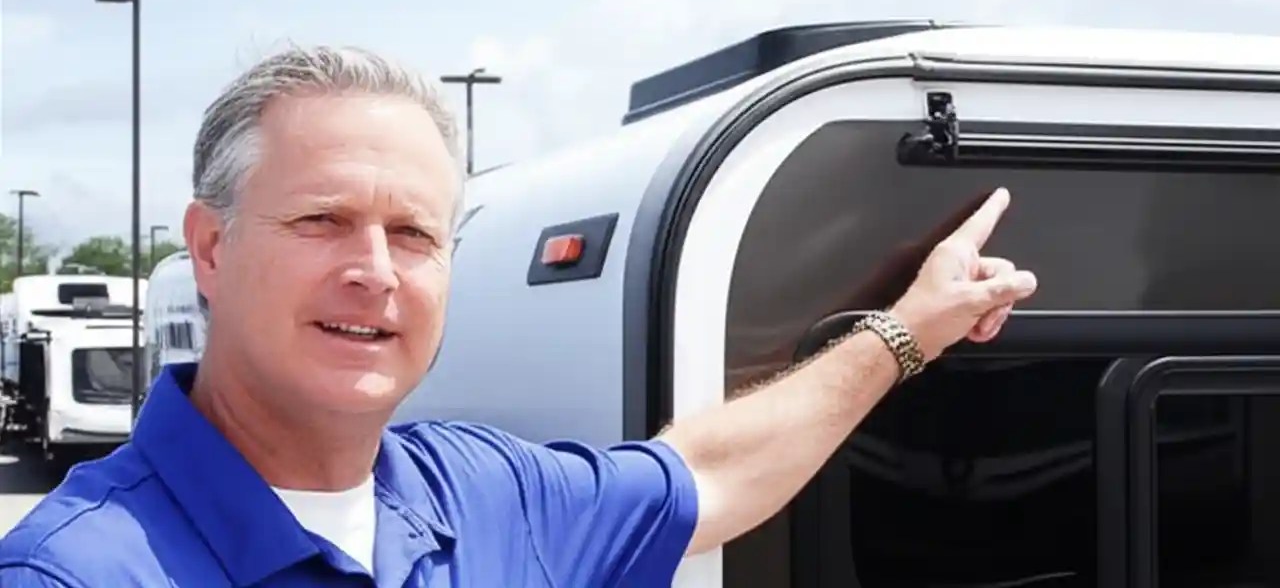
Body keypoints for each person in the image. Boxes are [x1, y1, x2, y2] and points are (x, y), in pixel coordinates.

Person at [0, 45, 1037, 586]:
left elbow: (713, 470)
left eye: (413, 234)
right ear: (213, 249)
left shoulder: (485, 497)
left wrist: (908, 330)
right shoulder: (75, 571)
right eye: (323, 219)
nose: (375, 272)